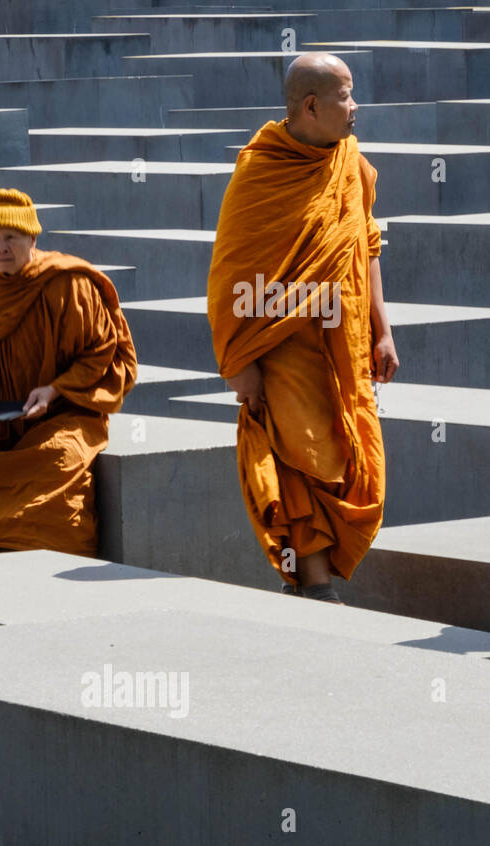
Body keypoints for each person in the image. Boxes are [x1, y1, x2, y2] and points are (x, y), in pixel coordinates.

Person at [207, 52, 398, 604]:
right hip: (281, 346)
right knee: (301, 455)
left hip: (344, 342)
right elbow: (230, 273)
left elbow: (366, 246)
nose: (356, 106)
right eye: (346, 95)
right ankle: (313, 582)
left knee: (352, 455)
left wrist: (383, 330)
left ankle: (315, 579)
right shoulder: (261, 168)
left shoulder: (351, 164)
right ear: (311, 105)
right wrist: (238, 362)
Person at [0, 188, 138, 559]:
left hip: (62, 412)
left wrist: (54, 391)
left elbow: (101, 352)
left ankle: (48, 578)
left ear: (33, 238)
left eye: (11, 237)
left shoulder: (67, 284)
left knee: (58, 462)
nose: (1, 248)